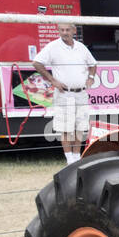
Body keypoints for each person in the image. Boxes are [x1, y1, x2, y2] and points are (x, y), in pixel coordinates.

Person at [32, 23, 98, 163]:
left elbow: (93, 64)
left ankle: (76, 157)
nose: (64, 32)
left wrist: (91, 78)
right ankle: (69, 159)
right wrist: (52, 80)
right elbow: (37, 63)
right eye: (61, 30)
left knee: (80, 127)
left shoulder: (81, 47)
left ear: (74, 31)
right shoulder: (52, 46)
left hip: (81, 92)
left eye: (67, 30)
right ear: (58, 31)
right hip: (64, 93)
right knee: (66, 128)